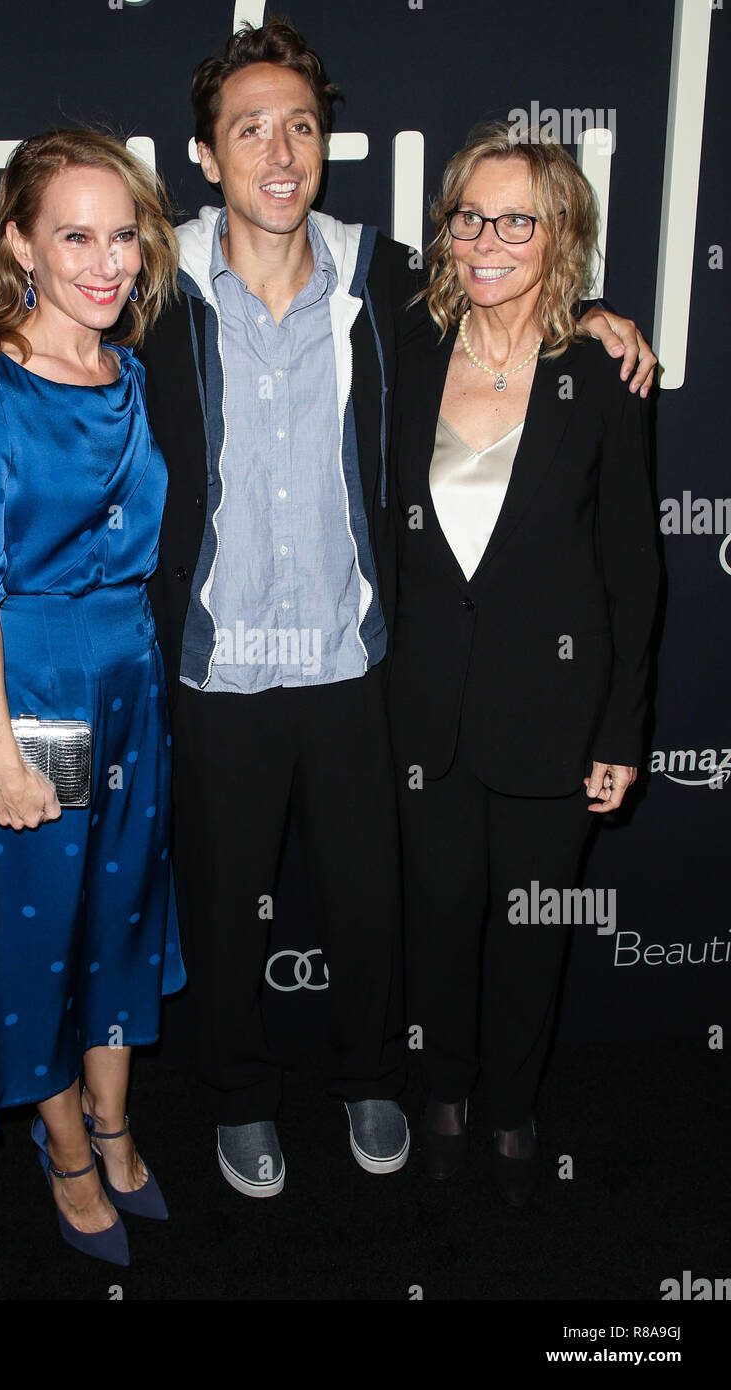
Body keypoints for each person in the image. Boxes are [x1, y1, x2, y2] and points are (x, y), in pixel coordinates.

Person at [0, 20, 656, 1201]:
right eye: (249, 127)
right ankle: (241, 1099)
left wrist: (610, 320)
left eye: (300, 126)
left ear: (325, 145)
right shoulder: (152, 293)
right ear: (206, 155)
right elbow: (48, 349)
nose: (278, 149)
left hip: (353, 663)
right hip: (210, 673)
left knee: (370, 905)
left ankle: (371, 1077)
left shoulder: (385, 284)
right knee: (222, 913)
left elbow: (515, 282)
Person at [387, 120, 661, 1206]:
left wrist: (621, 730)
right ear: (445, 227)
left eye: (517, 219)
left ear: (561, 236)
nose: (488, 239)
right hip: (423, 710)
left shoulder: (600, 368)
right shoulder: (405, 343)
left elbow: (633, 567)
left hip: (554, 711)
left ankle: (510, 1111)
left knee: (531, 933)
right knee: (441, 921)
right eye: (470, 216)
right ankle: (441, 1093)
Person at [0, 128, 185, 1263]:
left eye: (122, 234)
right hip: (35, 693)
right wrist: (4, 757)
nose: (104, 260)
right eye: (74, 233)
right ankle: (68, 1147)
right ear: (20, 242)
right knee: (37, 933)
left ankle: (120, 1122)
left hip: (132, 677)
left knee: (122, 913)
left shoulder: (125, 368)